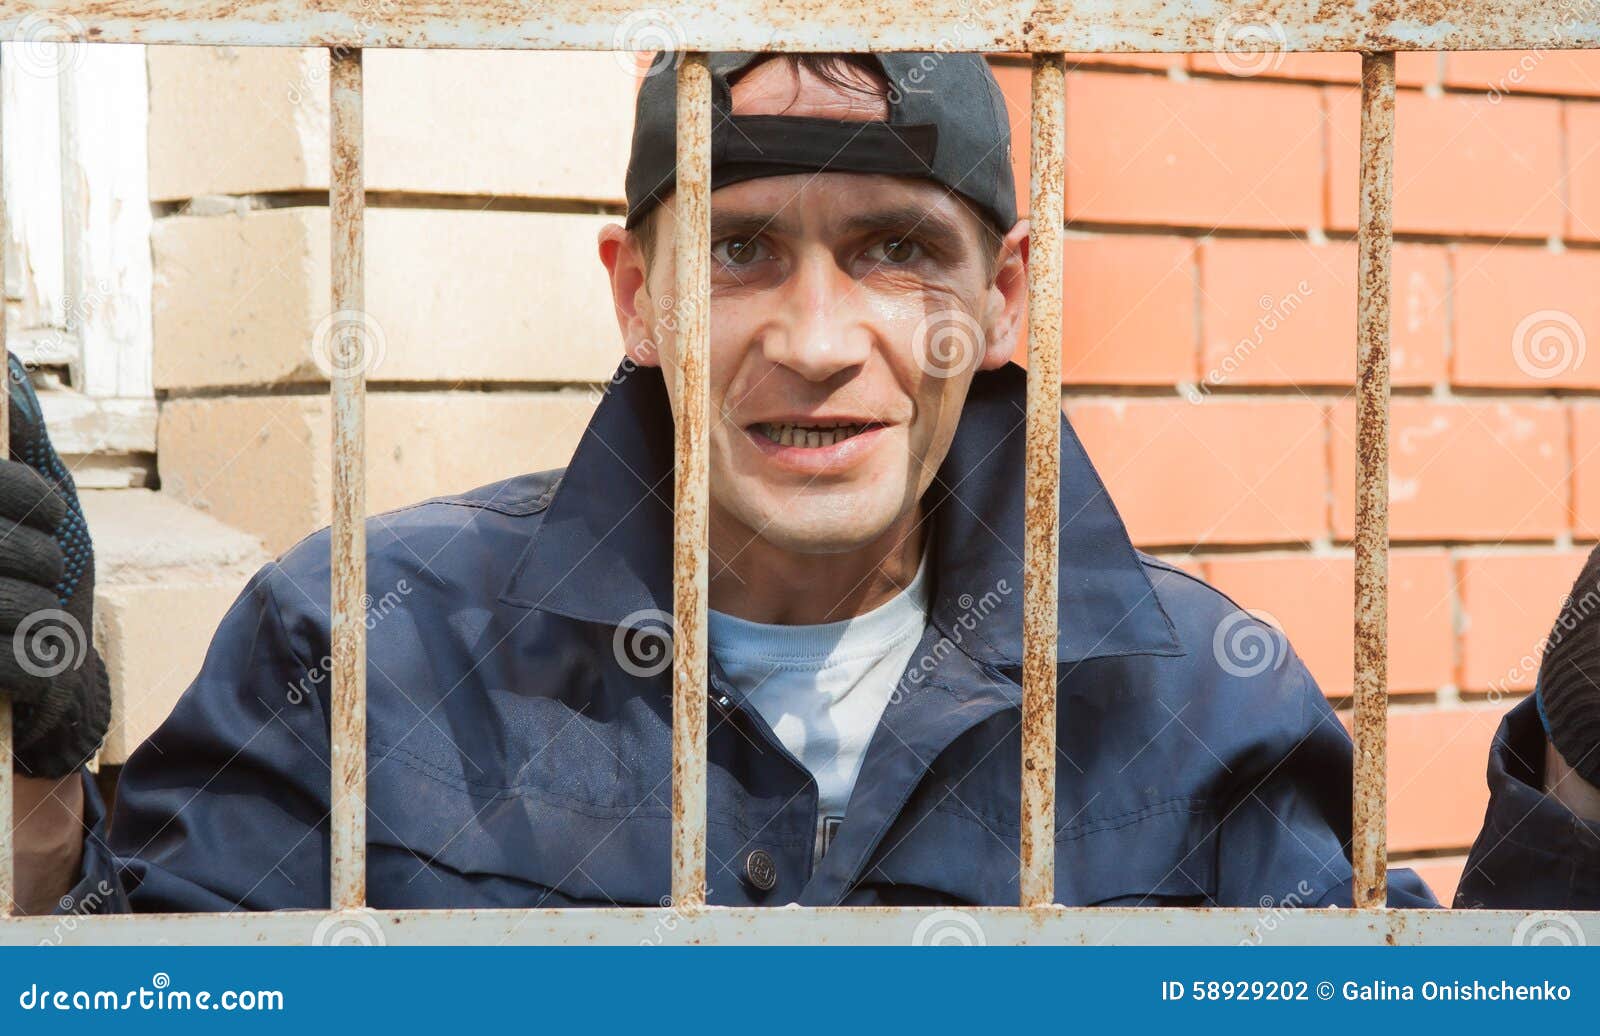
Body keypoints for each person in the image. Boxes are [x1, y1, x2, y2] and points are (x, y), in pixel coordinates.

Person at [7, 51, 1598, 916]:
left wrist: (1587, 788)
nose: (818, 340)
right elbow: (127, 979)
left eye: (899, 251)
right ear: (638, 294)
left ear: (1006, 303)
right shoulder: (361, 649)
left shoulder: (1204, 707)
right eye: (742, 252)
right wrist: (27, 796)